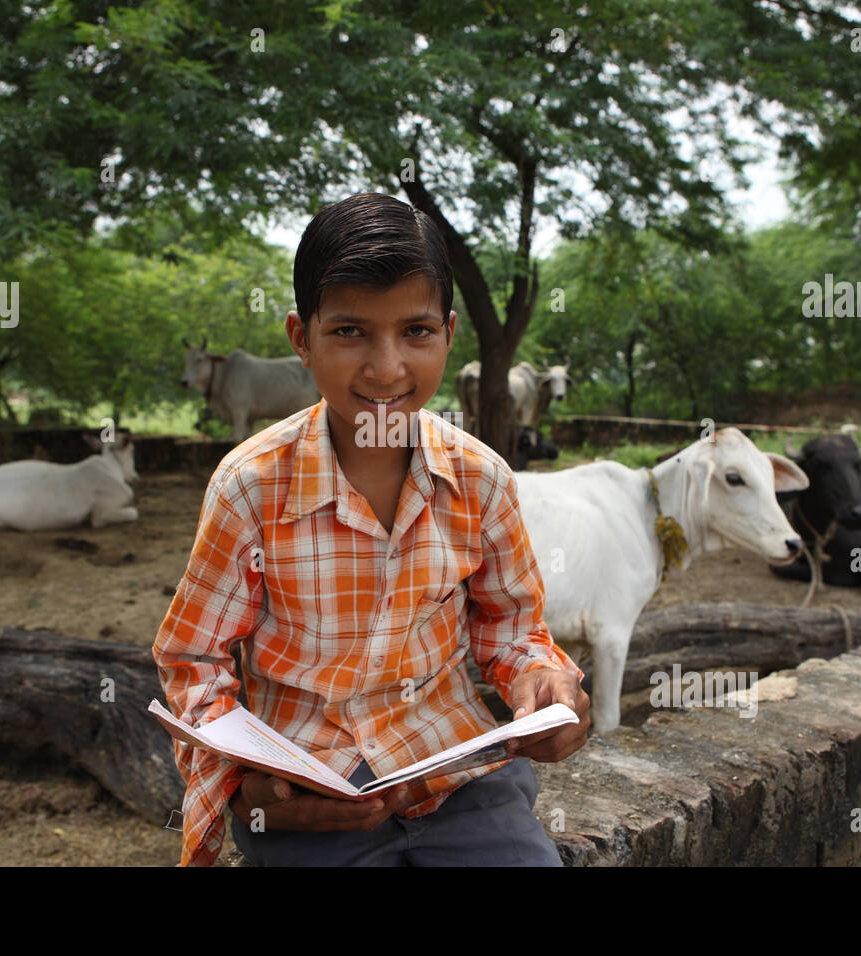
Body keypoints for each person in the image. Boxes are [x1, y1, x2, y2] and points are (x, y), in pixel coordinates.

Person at [152, 192, 590, 867]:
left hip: (456, 775)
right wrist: (245, 786)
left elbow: (512, 629)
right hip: (306, 790)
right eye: (351, 332)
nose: (387, 368)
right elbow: (195, 660)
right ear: (302, 338)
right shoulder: (250, 487)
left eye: (415, 332)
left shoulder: (483, 480)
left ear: (447, 333)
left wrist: (542, 683)